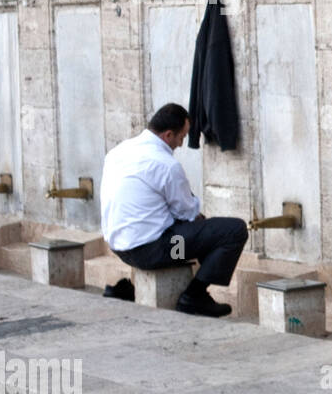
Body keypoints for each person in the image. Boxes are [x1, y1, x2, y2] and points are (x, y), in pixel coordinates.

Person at [100, 103, 248, 317]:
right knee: (232, 231)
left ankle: (128, 289)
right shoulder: (166, 165)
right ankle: (195, 295)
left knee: (196, 231)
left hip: (120, 248)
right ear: (168, 135)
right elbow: (187, 212)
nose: (180, 144)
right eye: (182, 137)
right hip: (158, 251)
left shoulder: (118, 151)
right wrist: (200, 222)